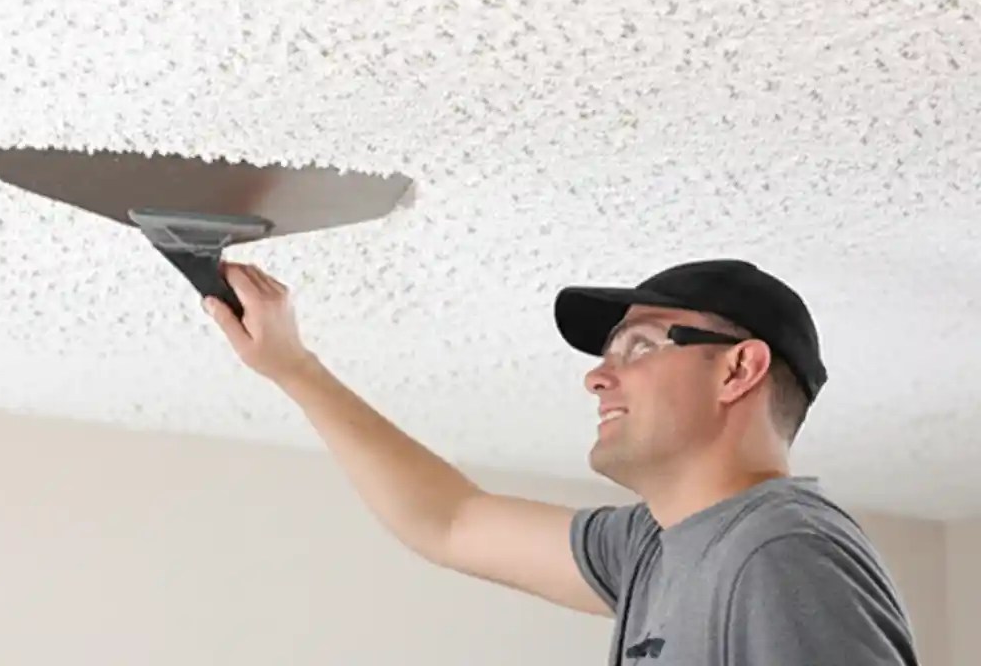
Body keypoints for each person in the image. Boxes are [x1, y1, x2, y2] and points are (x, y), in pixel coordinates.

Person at [203, 257, 919, 665]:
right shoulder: (654, 548)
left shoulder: (780, 554)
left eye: (640, 347)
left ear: (739, 370)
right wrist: (294, 368)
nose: (598, 378)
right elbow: (449, 522)